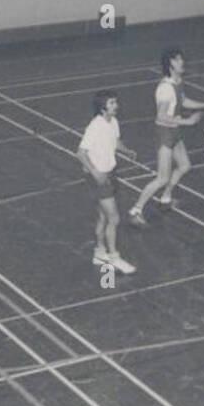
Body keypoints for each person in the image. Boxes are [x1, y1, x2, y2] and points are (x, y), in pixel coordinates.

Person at [128, 48, 204, 226]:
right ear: (170, 65)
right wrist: (188, 122)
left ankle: (165, 199)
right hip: (165, 134)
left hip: (174, 131)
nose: (182, 62)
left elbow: (184, 101)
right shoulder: (165, 89)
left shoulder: (177, 82)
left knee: (185, 165)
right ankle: (135, 210)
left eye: (181, 59)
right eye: (177, 60)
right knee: (162, 178)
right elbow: (160, 116)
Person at [77, 89, 137, 274]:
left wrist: (126, 151)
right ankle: (114, 258)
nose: (116, 106)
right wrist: (95, 173)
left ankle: (99, 252)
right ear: (102, 108)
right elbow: (80, 153)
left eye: (115, 102)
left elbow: (116, 142)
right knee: (114, 218)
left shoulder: (114, 122)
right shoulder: (95, 126)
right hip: (99, 178)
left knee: (103, 217)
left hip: (110, 173)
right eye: (111, 103)